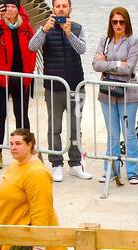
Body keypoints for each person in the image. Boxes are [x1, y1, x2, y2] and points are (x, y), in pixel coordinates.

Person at [31, 0, 91, 182]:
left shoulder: (78, 28)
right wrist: (44, 30)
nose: (61, 9)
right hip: (54, 87)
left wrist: (69, 33)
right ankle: (56, 163)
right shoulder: (45, 28)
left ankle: (74, 163)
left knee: (75, 128)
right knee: (54, 127)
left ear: (70, 9)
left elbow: (82, 49)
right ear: (53, 8)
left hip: (75, 86)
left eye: (64, 6)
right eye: (58, 6)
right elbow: (32, 47)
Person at [0, 3, 37, 172]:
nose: (10, 11)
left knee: (22, 116)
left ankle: (26, 152)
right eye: (7, 7)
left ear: (18, 8)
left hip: (21, 77)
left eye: (13, 7)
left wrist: (29, 72)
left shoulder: (25, 26)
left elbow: (33, 48)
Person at [93, 7, 138, 185]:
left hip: (127, 93)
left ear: (127, 22)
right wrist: (116, 64)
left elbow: (129, 68)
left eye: (122, 21)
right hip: (107, 93)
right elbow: (95, 64)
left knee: (129, 133)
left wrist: (107, 63)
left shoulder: (133, 41)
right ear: (110, 23)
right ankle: (111, 170)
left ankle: (132, 171)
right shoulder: (104, 40)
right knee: (112, 134)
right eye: (115, 22)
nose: (118, 25)